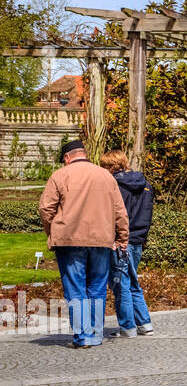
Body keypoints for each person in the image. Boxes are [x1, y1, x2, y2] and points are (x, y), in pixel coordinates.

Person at [38, 140, 129, 348]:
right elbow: (120, 212)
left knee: (75, 289)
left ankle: (83, 336)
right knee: (97, 288)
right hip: (101, 240)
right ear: (83, 154)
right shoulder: (105, 176)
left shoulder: (60, 175)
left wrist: (52, 231)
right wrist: (122, 238)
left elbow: (45, 209)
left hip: (69, 240)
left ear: (67, 157)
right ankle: (96, 334)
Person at [99, 149, 154, 338]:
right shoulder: (145, 184)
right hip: (138, 239)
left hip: (121, 240)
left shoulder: (115, 185)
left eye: (104, 166)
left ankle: (128, 327)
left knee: (120, 283)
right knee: (132, 282)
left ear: (111, 166)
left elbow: (115, 215)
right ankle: (145, 324)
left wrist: (115, 238)